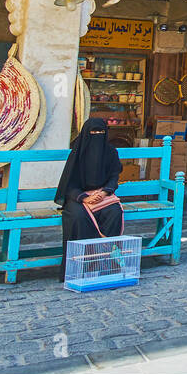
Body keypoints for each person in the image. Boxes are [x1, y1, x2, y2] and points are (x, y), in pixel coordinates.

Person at [54, 118, 125, 281]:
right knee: (78, 217)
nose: (97, 136)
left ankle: (107, 263)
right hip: (78, 198)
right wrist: (84, 197)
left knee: (114, 213)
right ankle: (81, 266)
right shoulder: (78, 153)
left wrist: (105, 192)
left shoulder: (110, 152)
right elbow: (69, 184)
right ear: (86, 133)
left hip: (102, 195)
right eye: (94, 132)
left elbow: (114, 176)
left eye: (101, 132)